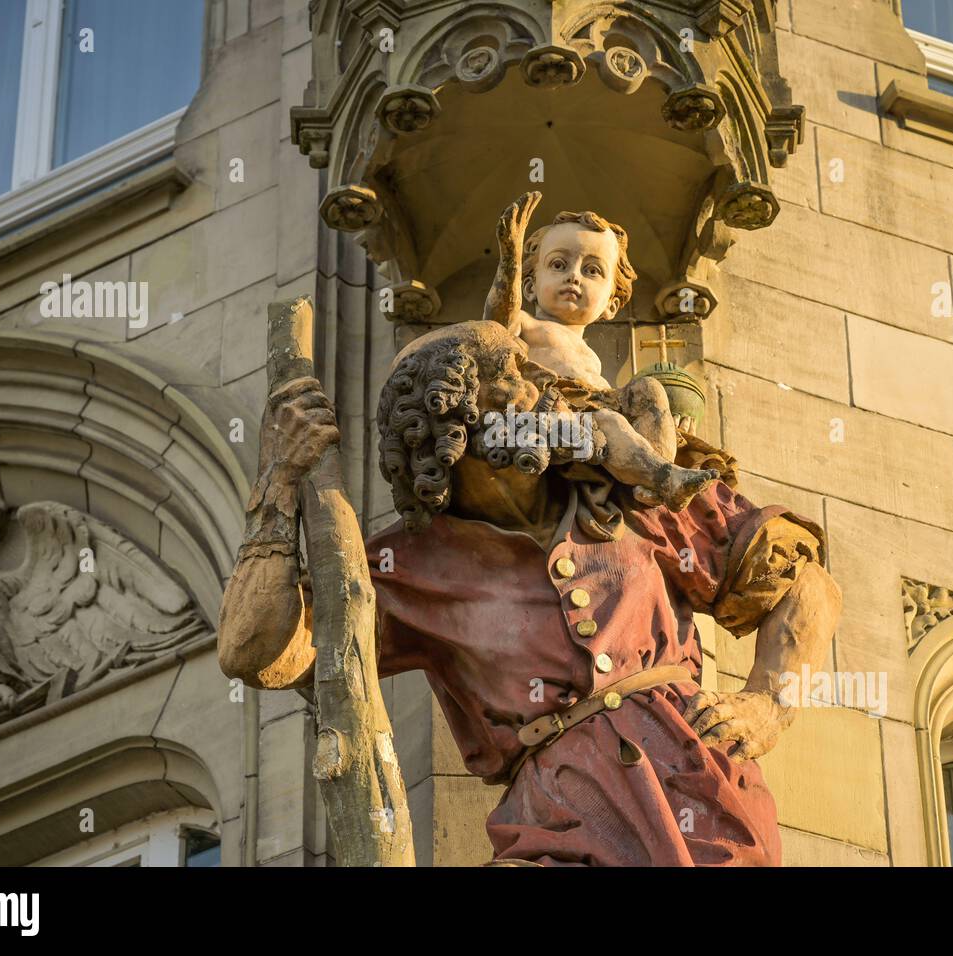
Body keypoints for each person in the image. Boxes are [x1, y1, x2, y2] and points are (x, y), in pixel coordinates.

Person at [218, 320, 842, 866]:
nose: (541, 391)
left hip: (700, 796)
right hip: (555, 820)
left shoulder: (635, 496)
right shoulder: (403, 567)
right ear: (453, 421)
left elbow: (805, 585)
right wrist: (279, 480)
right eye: (511, 378)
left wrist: (769, 704)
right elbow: (257, 650)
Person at [484, 192, 717, 511]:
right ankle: (663, 478)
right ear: (529, 286)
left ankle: (655, 481)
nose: (573, 275)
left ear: (611, 304)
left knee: (648, 388)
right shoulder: (528, 323)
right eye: (558, 264)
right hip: (549, 411)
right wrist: (509, 258)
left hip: (593, 411)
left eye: (592, 270)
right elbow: (496, 327)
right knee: (609, 421)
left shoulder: (589, 357)